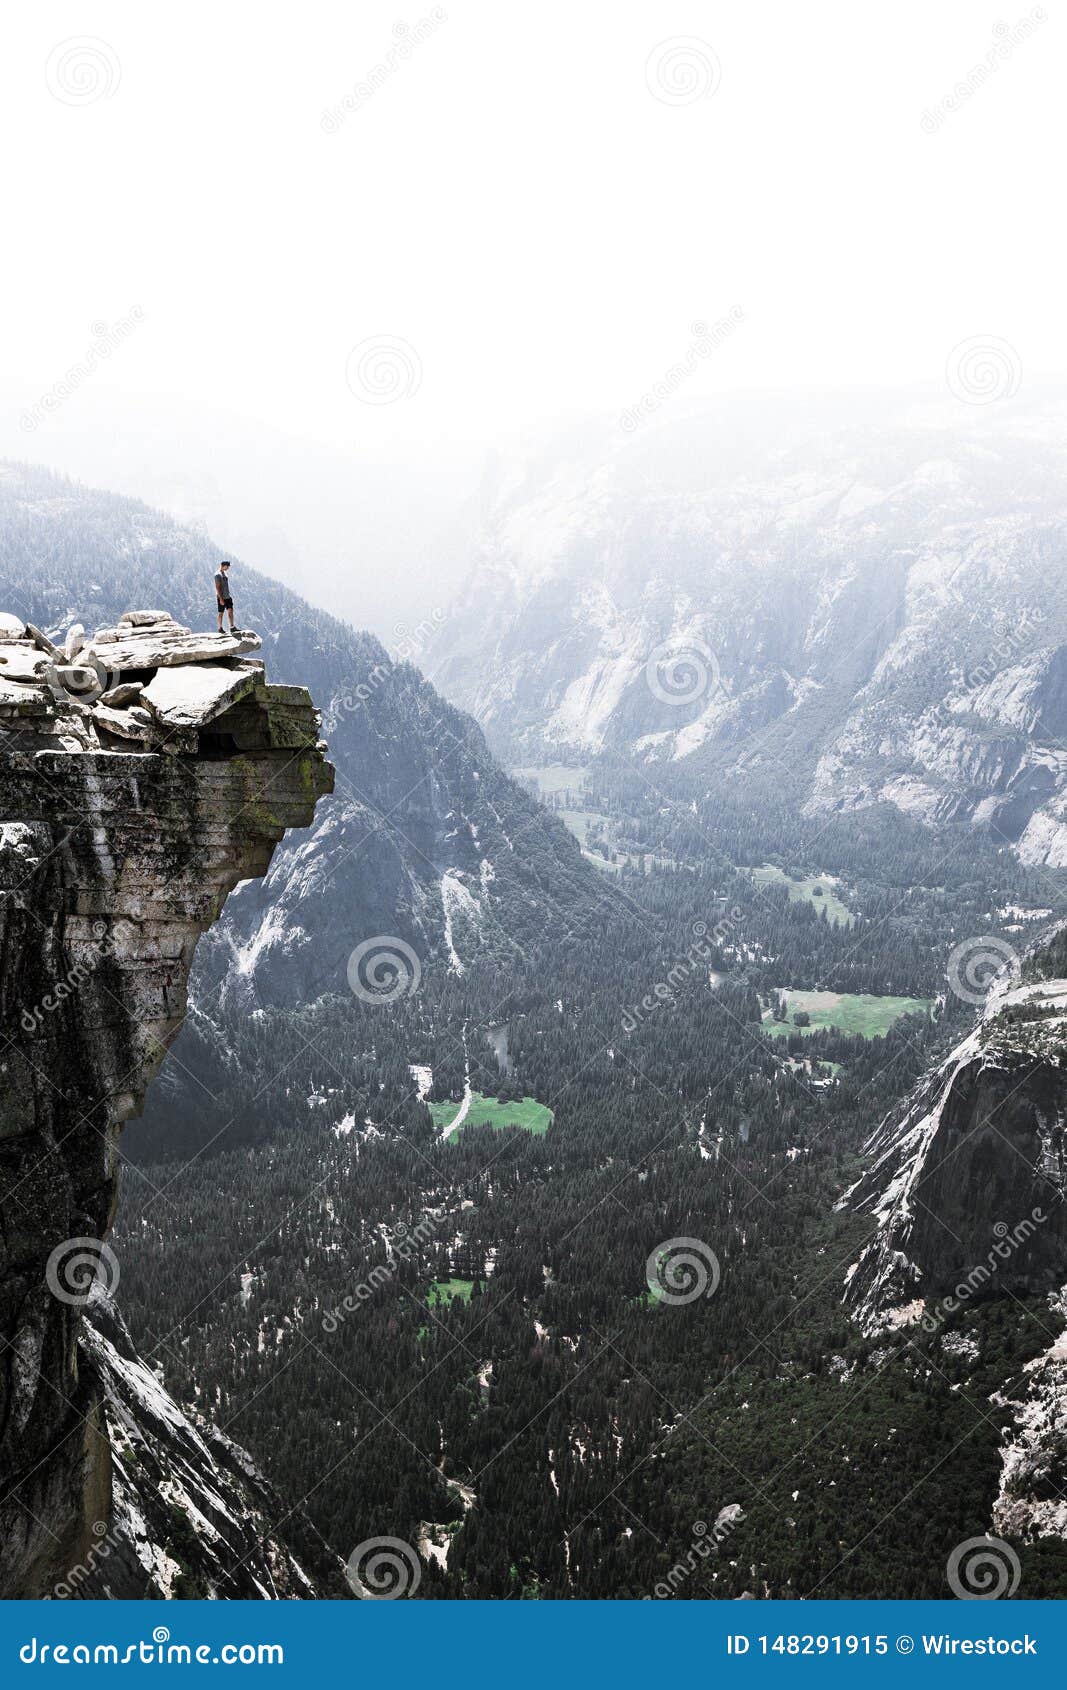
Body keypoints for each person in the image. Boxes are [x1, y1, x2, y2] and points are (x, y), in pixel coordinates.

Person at [214, 561, 235, 633]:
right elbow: (217, 587)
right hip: (221, 597)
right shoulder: (217, 575)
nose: (228, 568)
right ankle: (220, 628)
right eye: (227, 566)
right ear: (223, 566)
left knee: (230, 610)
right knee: (221, 612)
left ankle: (232, 627)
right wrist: (221, 599)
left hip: (227, 596)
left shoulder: (225, 573)